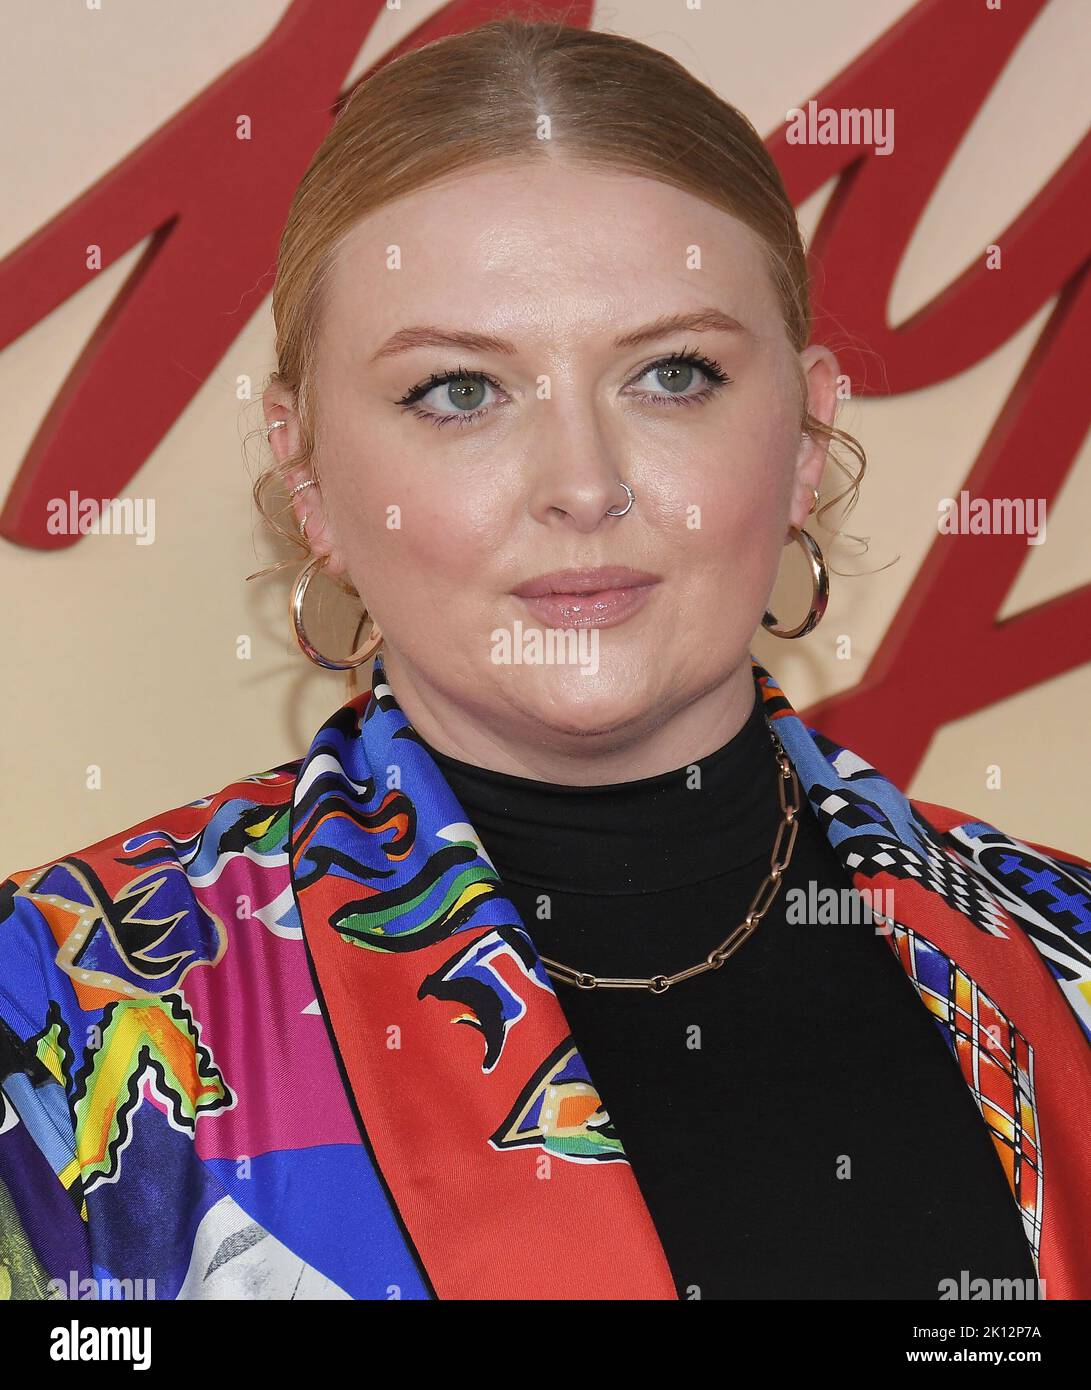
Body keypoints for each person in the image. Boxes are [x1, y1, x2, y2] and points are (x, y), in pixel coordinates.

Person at [2, 16, 1090, 1302]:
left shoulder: (1062, 957)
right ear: (307, 477)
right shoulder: (57, 1004)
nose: (581, 484)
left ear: (804, 436)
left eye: (672, 374)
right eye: (460, 390)